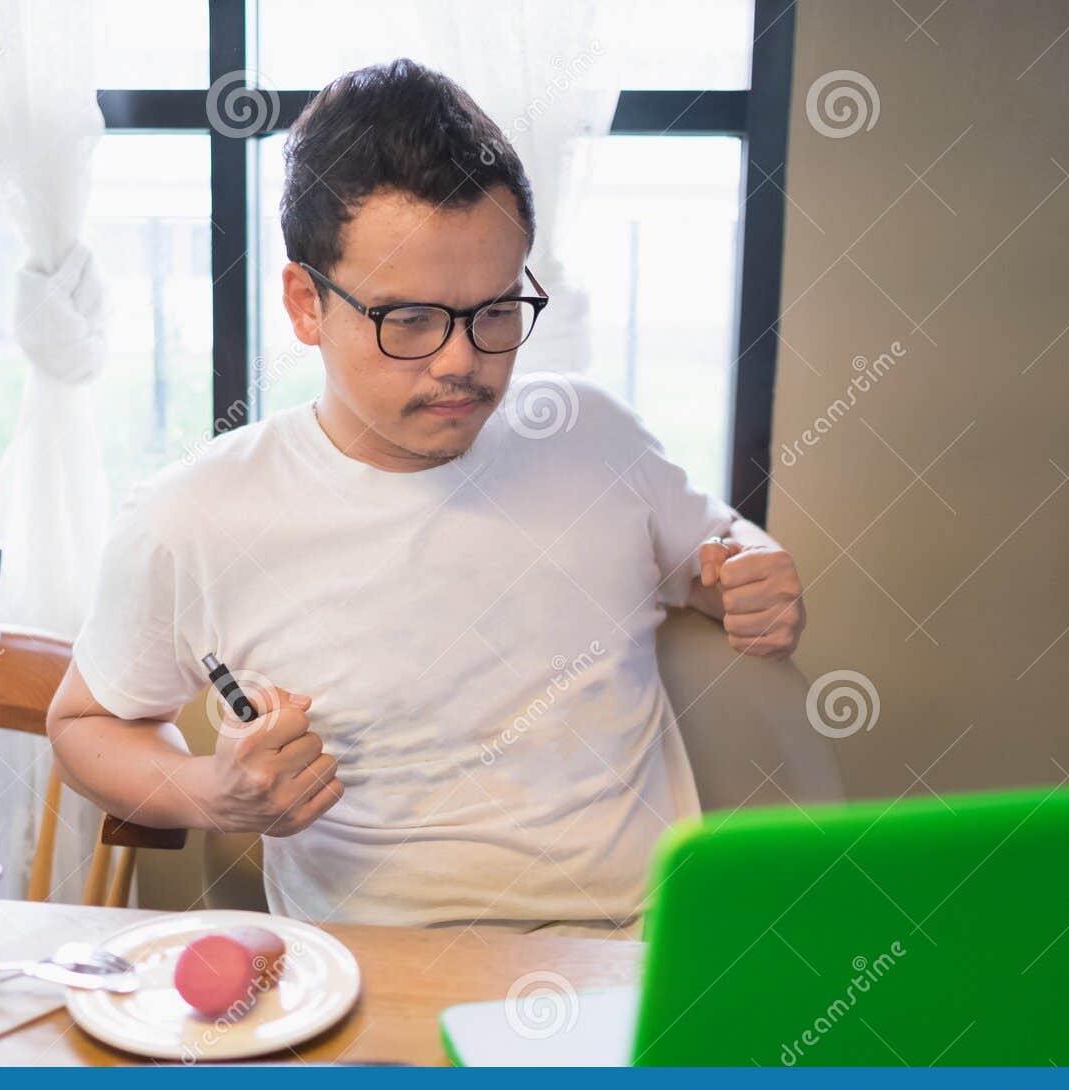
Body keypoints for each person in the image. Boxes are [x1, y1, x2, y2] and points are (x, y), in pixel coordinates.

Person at [48, 59, 806, 935]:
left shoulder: (594, 436)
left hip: (639, 957)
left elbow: (720, 563)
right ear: (306, 303)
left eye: (495, 311)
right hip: (382, 973)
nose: (462, 362)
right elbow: (84, 722)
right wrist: (212, 792)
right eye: (409, 320)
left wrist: (755, 581)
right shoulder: (195, 515)